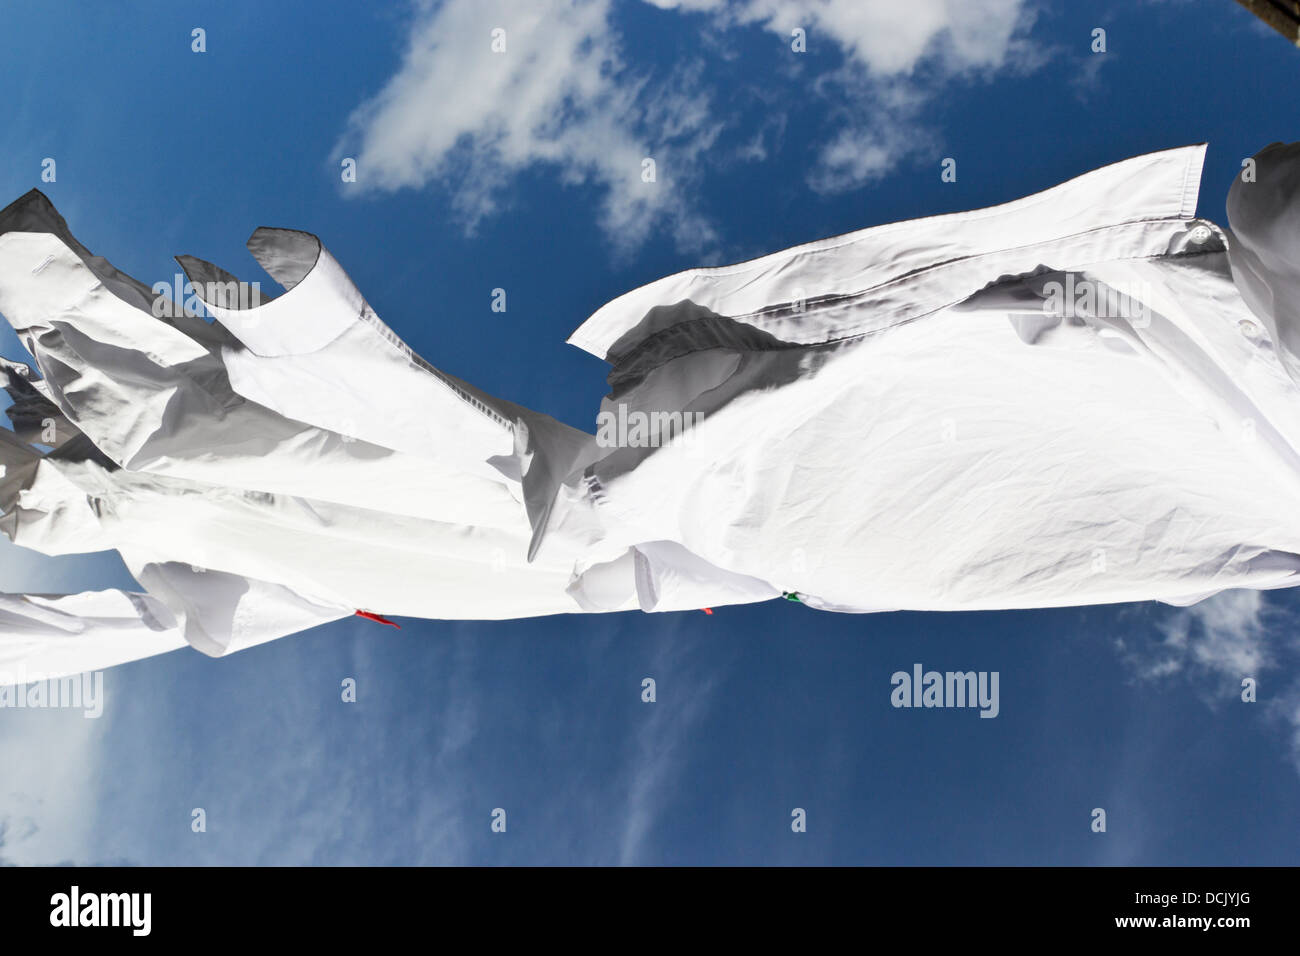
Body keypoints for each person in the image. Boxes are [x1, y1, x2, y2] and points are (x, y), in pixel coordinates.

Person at [3, 142, 1300, 679]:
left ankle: (87, 435)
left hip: (762, 508)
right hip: (753, 497)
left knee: (544, 524)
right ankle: (88, 428)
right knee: (546, 520)